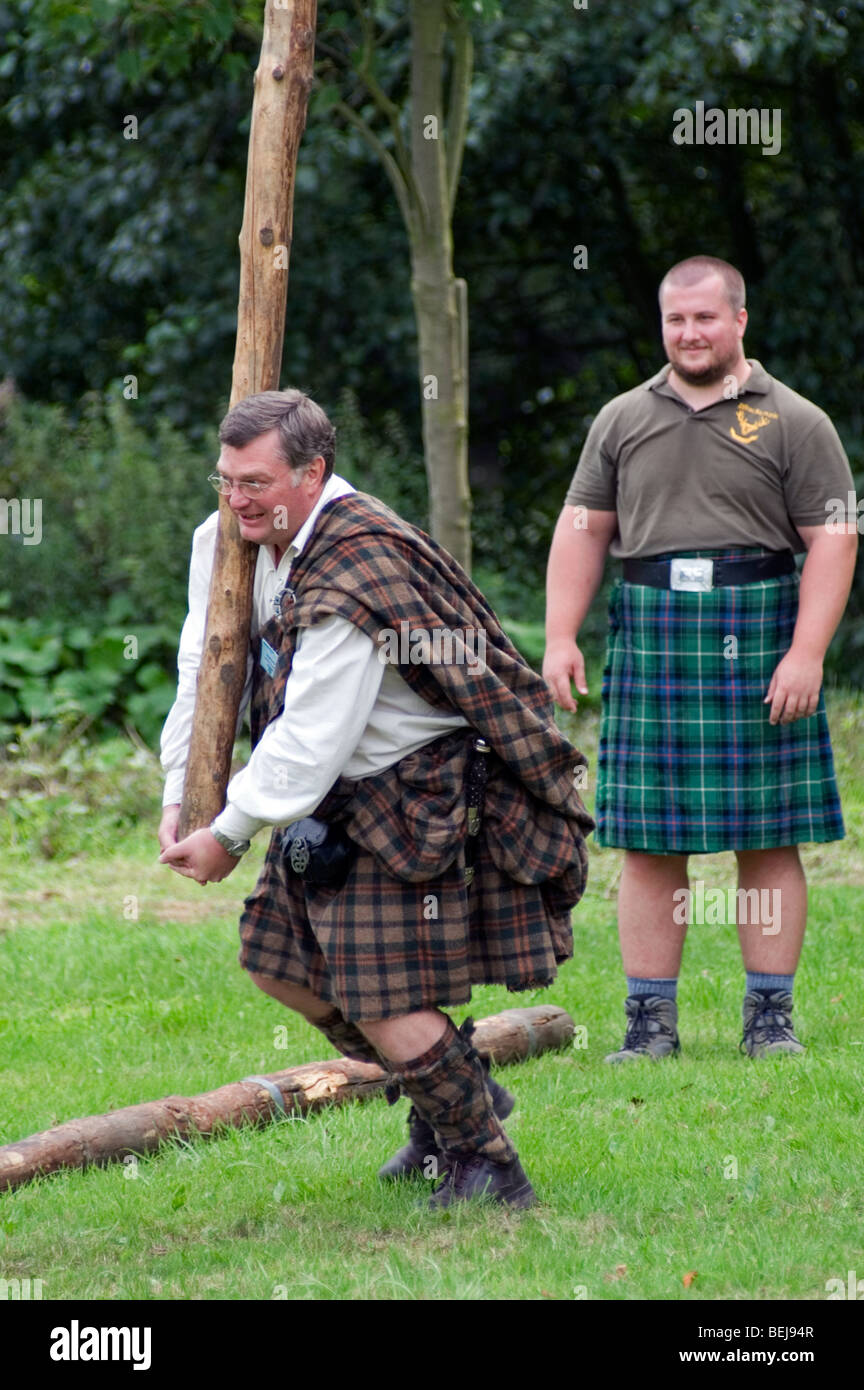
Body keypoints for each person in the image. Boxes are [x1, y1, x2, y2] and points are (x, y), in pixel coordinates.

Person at [159, 388, 593, 1208]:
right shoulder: (226, 541)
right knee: (280, 962)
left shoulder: (360, 558)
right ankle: (450, 1094)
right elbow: (204, 666)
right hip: (333, 789)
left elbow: (313, 733)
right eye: (225, 480)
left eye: (256, 482)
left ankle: (485, 1163)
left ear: (312, 472)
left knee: (379, 987)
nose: (237, 499)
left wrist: (231, 831)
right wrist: (183, 790)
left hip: (416, 789)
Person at [543, 255, 857, 1062]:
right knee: (650, 840)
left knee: (768, 832)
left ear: (740, 321)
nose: (689, 334)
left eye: (705, 319)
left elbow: (835, 536)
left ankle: (770, 1019)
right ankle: (650, 1027)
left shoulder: (795, 419)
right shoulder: (621, 418)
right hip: (653, 625)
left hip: (759, 625)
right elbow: (584, 526)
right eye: (676, 320)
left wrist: (807, 652)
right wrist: (559, 635)